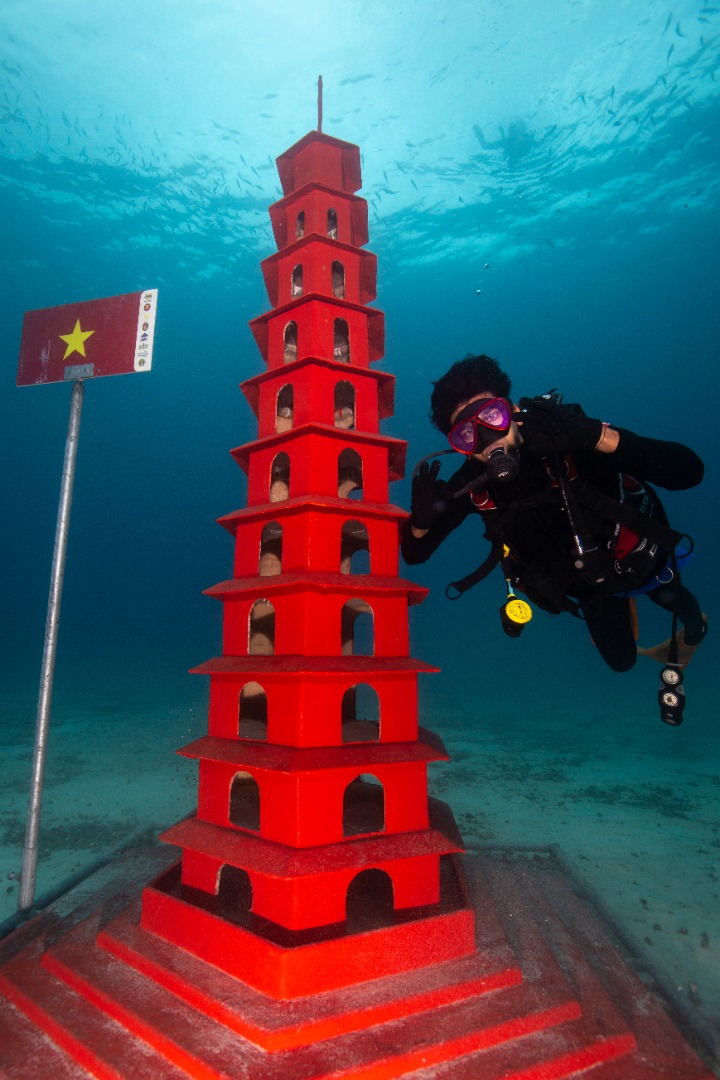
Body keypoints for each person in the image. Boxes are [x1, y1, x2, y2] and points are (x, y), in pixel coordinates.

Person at [401, 354, 707, 723]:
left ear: (512, 410)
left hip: (637, 557)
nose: (485, 439)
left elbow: (688, 471)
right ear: (459, 446)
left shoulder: (566, 437)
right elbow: (415, 553)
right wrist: (421, 521)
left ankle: (694, 623)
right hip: (588, 590)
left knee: (682, 610)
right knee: (621, 662)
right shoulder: (472, 484)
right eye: (467, 434)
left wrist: (595, 435)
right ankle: (628, 612)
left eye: (492, 417)